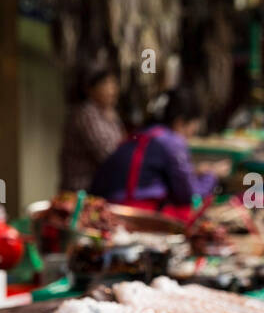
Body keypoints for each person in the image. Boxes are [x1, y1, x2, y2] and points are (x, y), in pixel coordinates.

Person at [89, 87, 218, 223]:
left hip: (107, 209)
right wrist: (211, 175)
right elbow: (190, 195)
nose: (191, 135)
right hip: (141, 214)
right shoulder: (172, 141)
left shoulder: (141, 134)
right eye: (193, 128)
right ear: (180, 122)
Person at [59, 60, 125, 193]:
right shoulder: (86, 114)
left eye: (113, 83)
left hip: (97, 190)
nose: (112, 89)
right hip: (81, 192)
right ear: (89, 88)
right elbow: (108, 154)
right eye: (106, 83)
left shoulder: (106, 112)